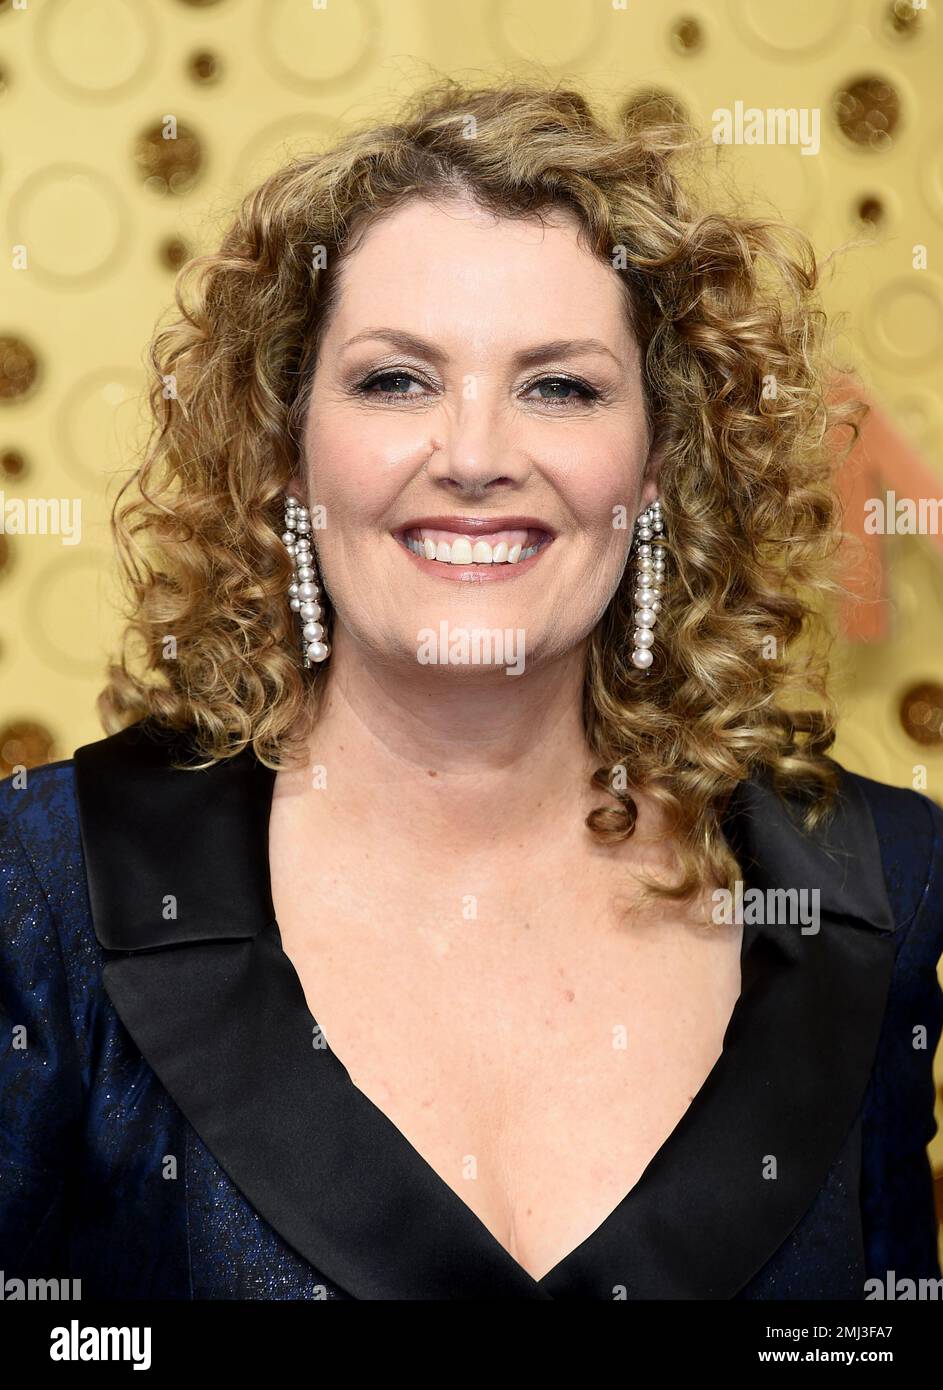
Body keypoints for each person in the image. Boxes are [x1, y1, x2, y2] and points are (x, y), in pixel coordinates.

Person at [1, 77, 941, 1301]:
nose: (479, 456)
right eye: (397, 380)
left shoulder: (870, 890)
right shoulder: (50, 883)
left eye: (561, 385)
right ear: (290, 453)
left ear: (656, 466)